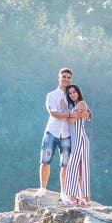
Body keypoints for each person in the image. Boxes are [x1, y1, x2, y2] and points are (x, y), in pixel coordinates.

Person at [34, 67, 73, 201]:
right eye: (64, 76)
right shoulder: (52, 95)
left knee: (65, 163)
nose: (66, 79)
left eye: (68, 77)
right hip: (52, 131)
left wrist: (67, 112)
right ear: (59, 78)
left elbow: (75, 115)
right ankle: (43, 188)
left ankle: (64, 192)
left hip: (67, 132)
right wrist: (67, 113)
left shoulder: (72, 96)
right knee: (45, 160)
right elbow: (54, 113)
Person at [62, 83, 91, 206]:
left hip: (80, 138)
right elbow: (74, 117)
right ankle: (84, 197)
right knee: (79, 168)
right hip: (76, 139)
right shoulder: (73, 106)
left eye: (74, 92)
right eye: (70, 93)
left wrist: (65, 110)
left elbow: (71, 119)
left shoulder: (81, 104)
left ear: (78, 92)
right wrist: (69, 112)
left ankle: (74, 197)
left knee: (75, 166)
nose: (72, 94)